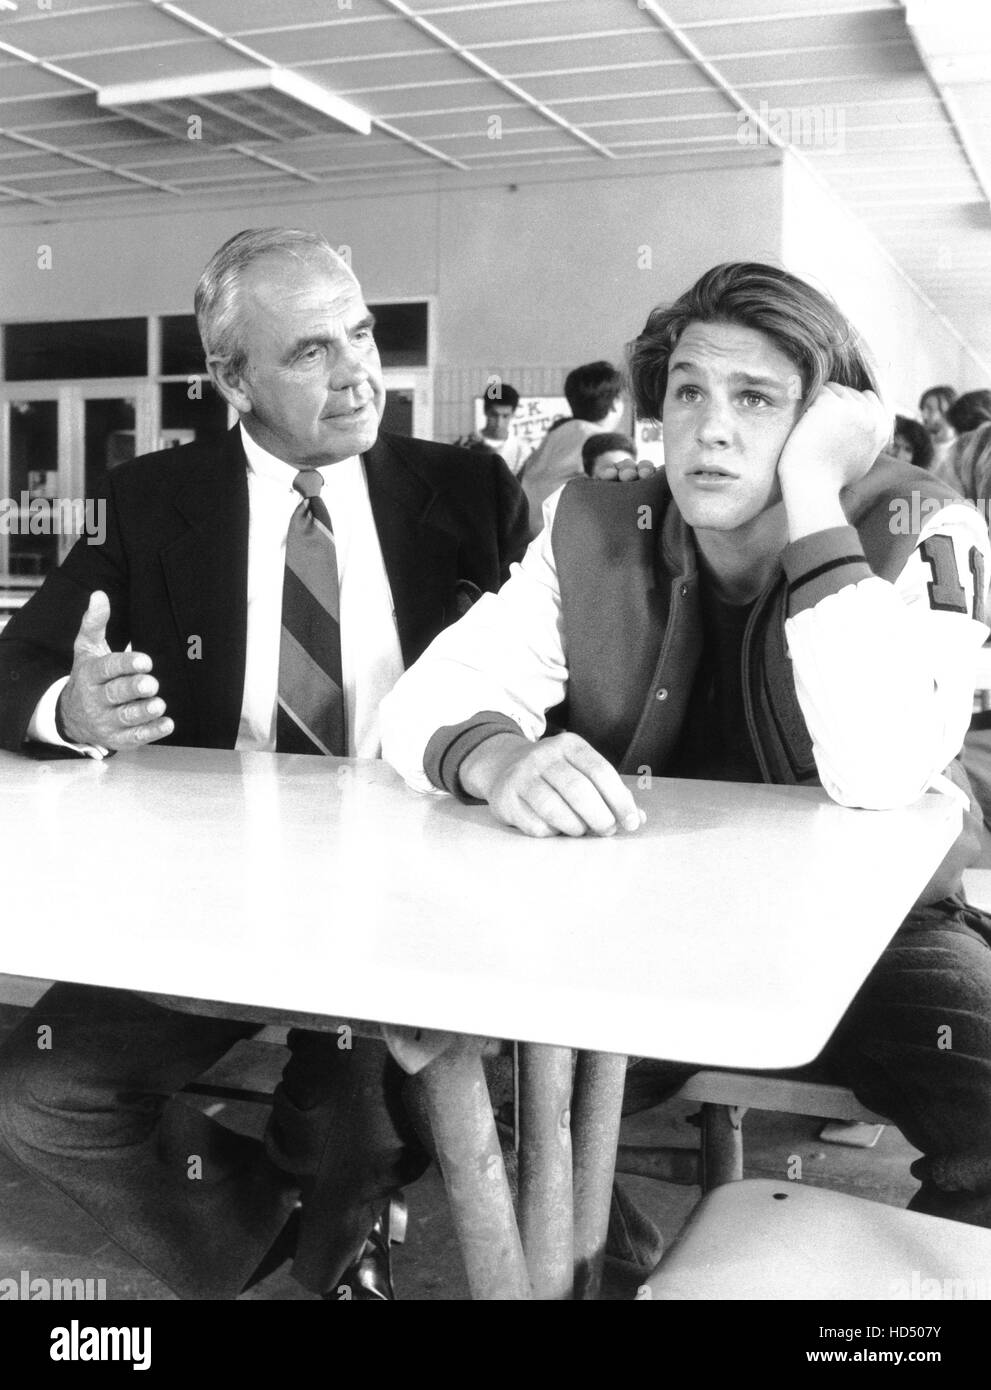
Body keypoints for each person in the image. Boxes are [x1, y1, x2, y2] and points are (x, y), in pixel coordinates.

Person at [381, 261, 991, 1234]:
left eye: (756, 399)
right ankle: (620, 1278)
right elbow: (421, 705)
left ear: (826, 422)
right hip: (640, 921)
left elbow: (876, 771)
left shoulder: (926, 527)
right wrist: (500, 759)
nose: (710, 427)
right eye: (689, 392)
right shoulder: (592, 523)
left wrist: (811, 497)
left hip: (880, 931)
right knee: (452, 1083)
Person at [0, 227, 528, 1301]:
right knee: (43, 1094)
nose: (356, 373)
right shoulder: (152, 500)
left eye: (362, 334)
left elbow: (562, 689)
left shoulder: (468, 494)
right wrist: (75, 706)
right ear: (229, 380)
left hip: (414, 896)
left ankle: (330, 1206)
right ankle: (278, 1237)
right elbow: (17, 671)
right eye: (309, 352)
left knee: (355, 1114)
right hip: (210, 898)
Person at [519, 360, 624, 535]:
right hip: (567, 543)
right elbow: (626, 498)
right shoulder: (602, 442)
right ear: (614, 403)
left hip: (531, 541)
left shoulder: (556, 435)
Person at [456, 382, 529, 476]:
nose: (499, 422)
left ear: (513, 414)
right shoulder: (466, 445)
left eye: (505, 416)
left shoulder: (522, 450)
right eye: (494, 415)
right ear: (485, 411)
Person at [919, 383, 958, 481]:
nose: (924, 415)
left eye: (930, 409)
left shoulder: (959, 454)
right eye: (923, 409)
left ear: (947, 411)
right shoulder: (921, 443)